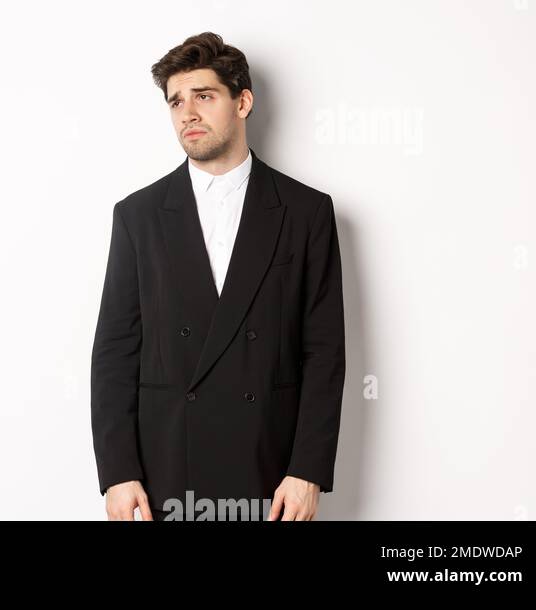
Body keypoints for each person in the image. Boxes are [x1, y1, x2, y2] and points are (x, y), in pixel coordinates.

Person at [91, 32, 346, 521]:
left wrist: (307, 470)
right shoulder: (138, 216)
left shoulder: (306, 211)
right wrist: (118, 473)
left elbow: (324, 352)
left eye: (203, 96)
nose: (187, 113)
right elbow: (114, 354)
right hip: (165, 470)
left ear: (243, 101)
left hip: (270, 473)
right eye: (176, 102)